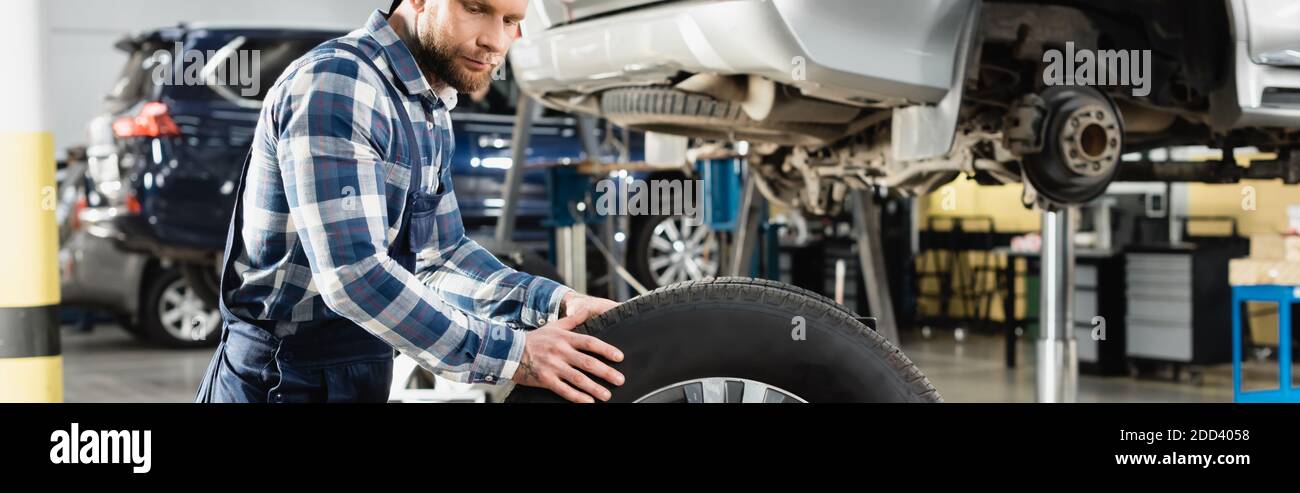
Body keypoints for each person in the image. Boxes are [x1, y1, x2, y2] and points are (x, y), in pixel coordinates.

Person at [196, 0, 625, 403]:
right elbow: (354, 276)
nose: (496, 41)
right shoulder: (339, 83)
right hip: (282, 380)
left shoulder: (428, 105)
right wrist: (515, 354)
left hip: (354, 368)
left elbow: (441, 256)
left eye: (511, 21)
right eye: (476, 8)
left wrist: (557, 303)